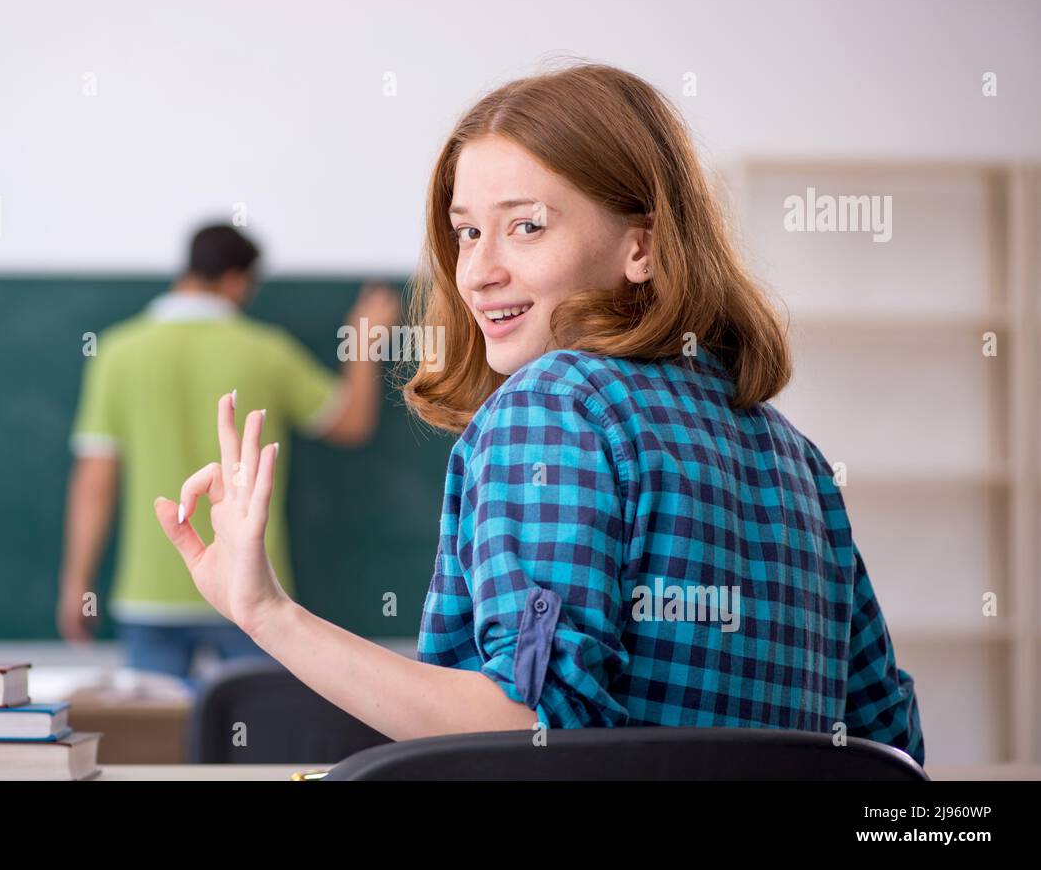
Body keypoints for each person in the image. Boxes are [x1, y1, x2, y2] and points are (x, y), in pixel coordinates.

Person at [152, 64, 924, 764]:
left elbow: (530, 728)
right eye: (466, 231)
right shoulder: (796, 457)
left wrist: (265, 612)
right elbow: (889, 748)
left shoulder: (554, 405)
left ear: (642, 247)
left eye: (527, 225)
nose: (480, 272)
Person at [57, 222, 401, 689]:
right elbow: (351, 422)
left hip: (150, 592)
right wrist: (364, 338)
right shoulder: (266, 352)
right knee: (254, 742)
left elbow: (94, 482)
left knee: (154, 746)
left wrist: (77, 584)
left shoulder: (118, 352)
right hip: (248, 588)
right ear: (238, 281)